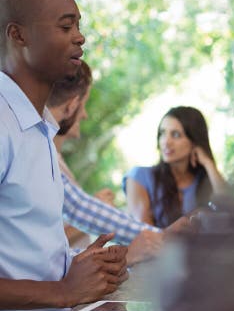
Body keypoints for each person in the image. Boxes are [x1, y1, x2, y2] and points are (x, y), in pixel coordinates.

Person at [0, 0, 127, 311]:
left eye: (79, 25)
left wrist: (79, 266)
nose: (80, 37)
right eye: (65, 25)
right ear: (18, 35)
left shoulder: (38, 127)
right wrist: (63, 289)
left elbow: (22, 248)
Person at [47, 59, 164, 263]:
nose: (84, 114)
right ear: (72, 104)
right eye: (83, 105)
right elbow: (78, 211)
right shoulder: (41, 151)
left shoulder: (47, 152)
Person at [124, 106, 228, 228]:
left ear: (194, 141)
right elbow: (144, 235)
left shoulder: (205, 180)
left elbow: (231, 208)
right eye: (162, 133)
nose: (166, 142)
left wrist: (208, 163)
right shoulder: (139, 176)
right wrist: (186, 222)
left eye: (176, 135)